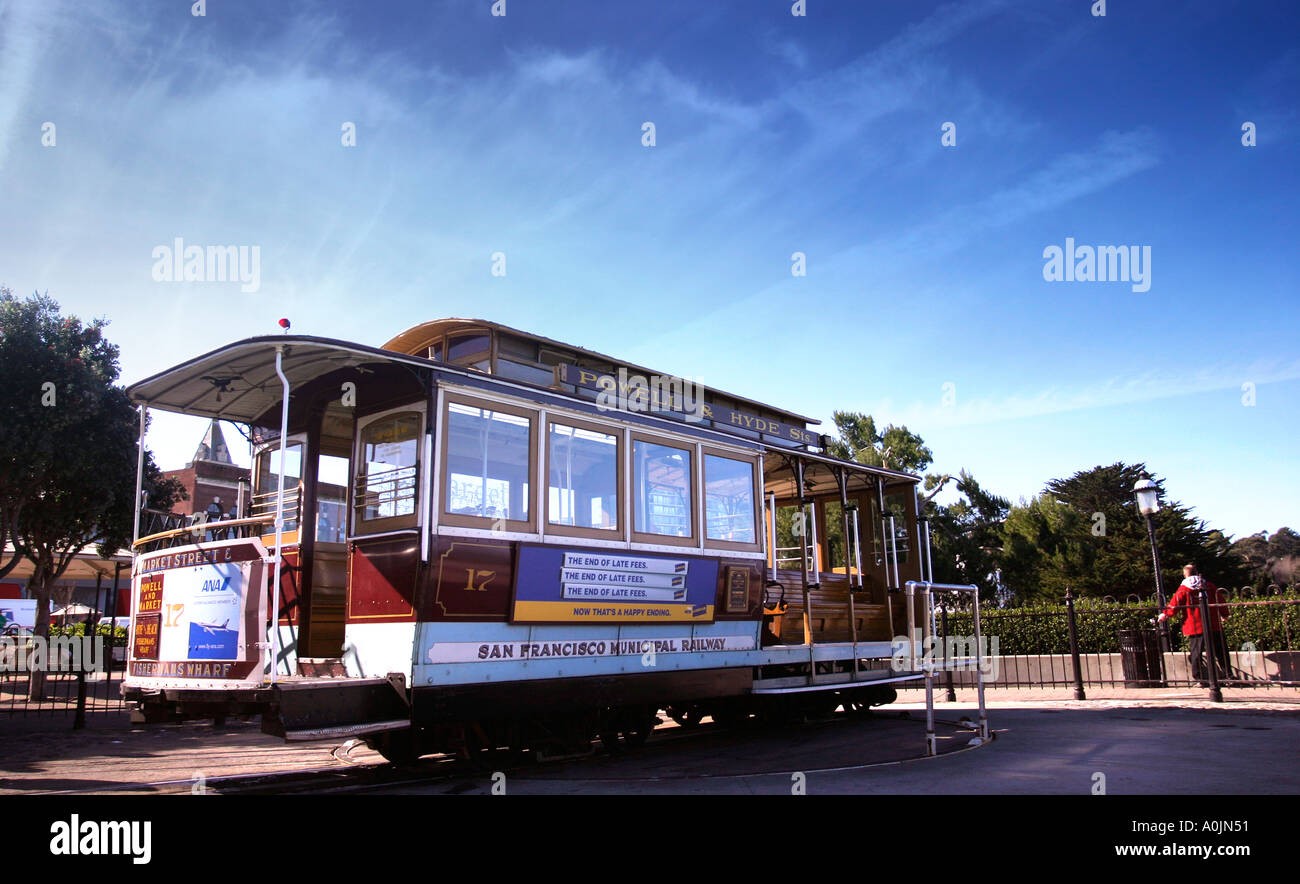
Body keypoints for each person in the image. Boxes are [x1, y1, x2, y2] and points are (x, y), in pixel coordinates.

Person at [1158, 564, 1230, 685]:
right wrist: (1225, 614)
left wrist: (1165, 614)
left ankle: (1200, 678)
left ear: (1185, 574)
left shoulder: (1184, 588)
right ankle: (1229, 676)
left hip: (1195, 626)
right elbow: (1220, 600)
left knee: (1196, 653)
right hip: (1213, 622)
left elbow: (1175, 604)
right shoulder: (1208, 585)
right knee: (1221, 651)